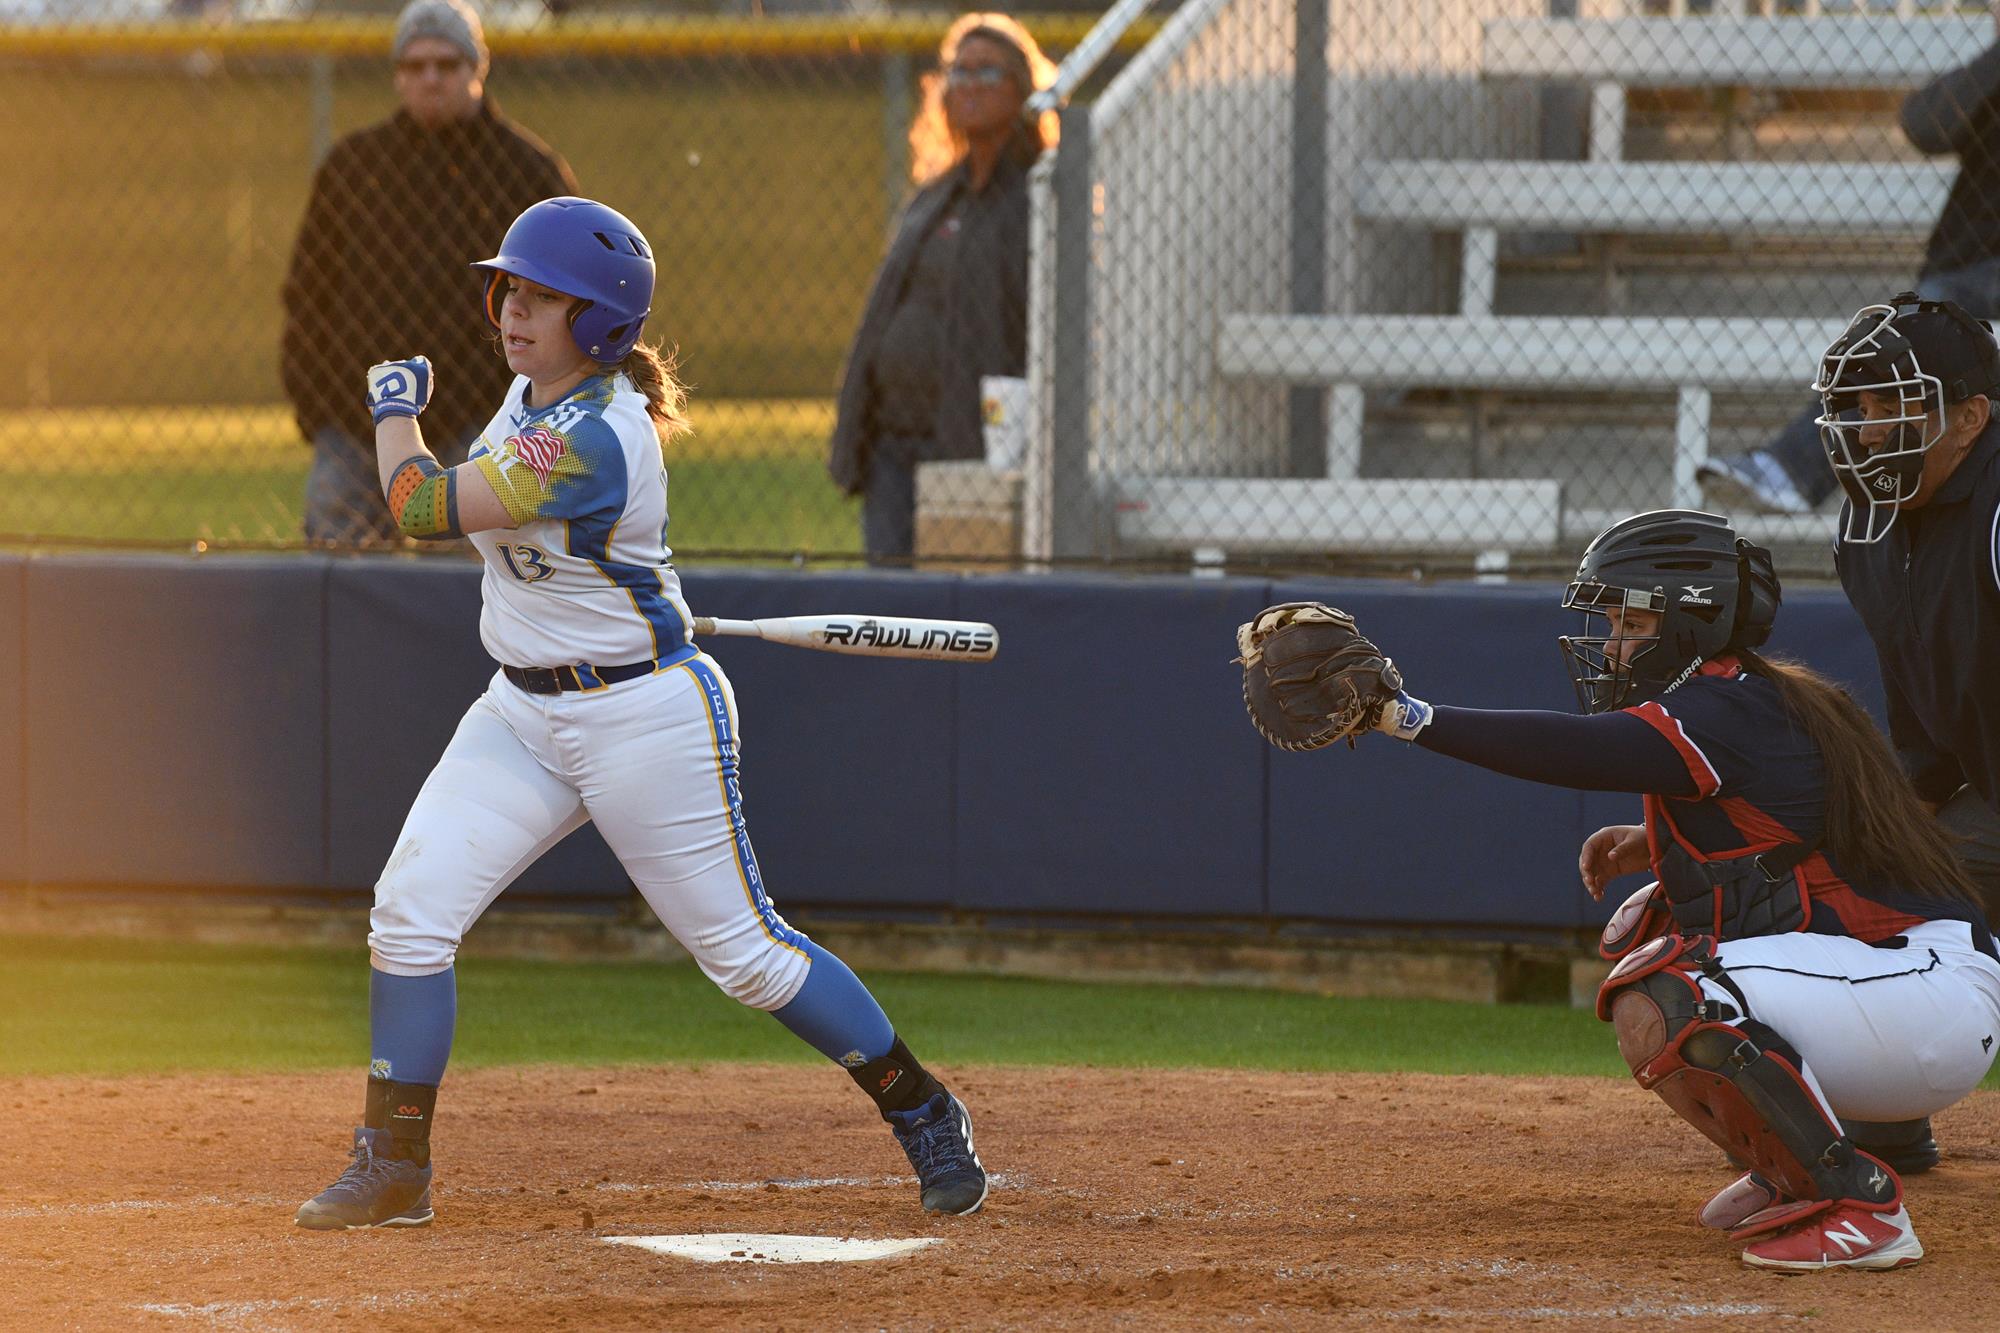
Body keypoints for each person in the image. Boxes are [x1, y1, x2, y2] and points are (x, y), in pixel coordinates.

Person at [293, 196, 988, 1230]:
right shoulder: (528, 399)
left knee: (745, 956)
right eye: (512, 289)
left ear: (602, 323)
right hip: (519, 713)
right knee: (408, 914)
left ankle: (923, 1108)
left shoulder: (594, 438)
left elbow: (419, 507)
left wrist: (394, 407)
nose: (514, 312)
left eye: (545, 298)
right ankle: (394, 1162)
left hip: (642, 718)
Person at [1237, 510, 2000, 1270]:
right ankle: (1793, 1168)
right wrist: (1657, 847)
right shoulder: (1755, 696)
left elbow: (1572, 750)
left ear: (1690, 616)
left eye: (1629, 617)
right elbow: (1797, 830)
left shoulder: (1727, 706)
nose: (1610, 641)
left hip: (1927, 993)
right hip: (1905, 990)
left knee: (1672, 990)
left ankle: (1861, 1204)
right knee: (1647, 926)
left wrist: (1404, 716)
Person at [280, 0, 577, 546]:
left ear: (477, 69)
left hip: (490, 423)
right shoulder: (355, 167)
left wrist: (531, 413)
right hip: (360, 421)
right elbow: (306, 297)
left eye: (447, 64)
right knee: (341, 579)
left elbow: (573, 300)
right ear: (397, 75)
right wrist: (320, 411)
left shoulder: (527, 172)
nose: (431, 78)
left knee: (484, 592)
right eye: (415, 66)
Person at [1700, 8, 2000, 515]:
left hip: (1966, 290)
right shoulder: (1990, 81)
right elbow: (1924, 125)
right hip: (1963, 283)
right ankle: (1792, 471)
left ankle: (1803, 472)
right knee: (1902, 339)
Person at [826, 13, 1057, 561]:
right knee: (888, 602)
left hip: (970, 449)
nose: (969, 85)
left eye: (987, 73)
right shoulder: (934, 196)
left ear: (1023, 90)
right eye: (959, 72)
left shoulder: (1039, 195)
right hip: (891, 445)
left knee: (953, 601)